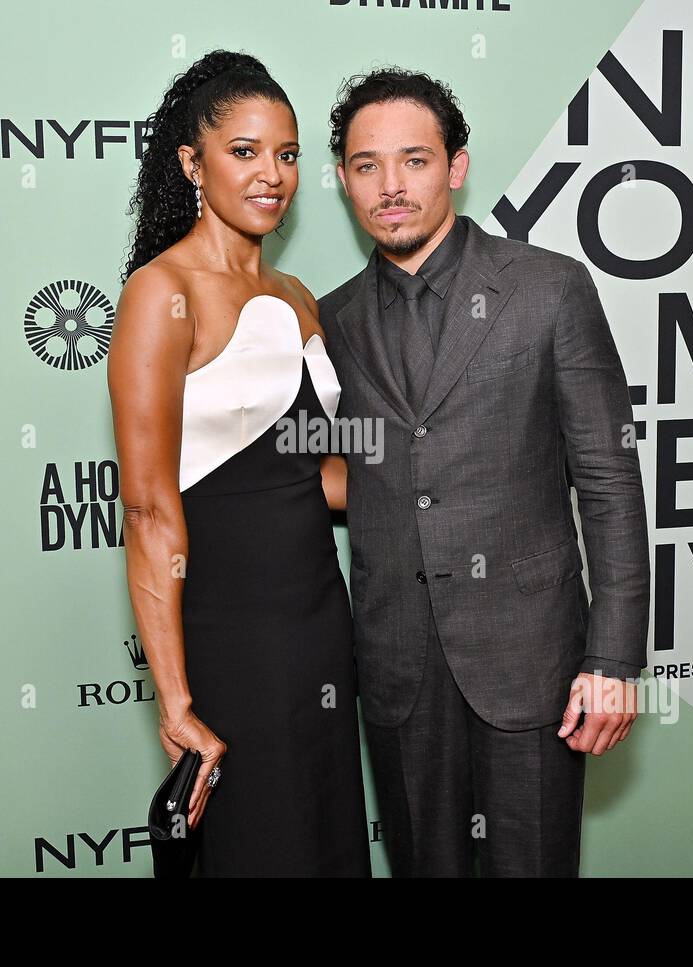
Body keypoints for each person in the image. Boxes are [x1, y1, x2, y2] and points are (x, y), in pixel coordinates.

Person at [316, 68, 651, 876]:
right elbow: (338, 468)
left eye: (414, 160)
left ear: (456, 166)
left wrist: (612, 662)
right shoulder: (329, 318)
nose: (391, 186)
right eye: (367, 166)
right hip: (397, 671)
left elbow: (609, 485)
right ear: (343, 181)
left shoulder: (548, 289)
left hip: (530, 662)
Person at [107, 50, 369, 876]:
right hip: (232, 631)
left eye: (287, 155)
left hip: (320, 620)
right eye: (245, 151)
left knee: (324, 835)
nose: (272, 174)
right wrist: (175, 698)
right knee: (264, 844)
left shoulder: (297, 294)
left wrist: (446, 474)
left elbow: (312, 471)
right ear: (192, 162)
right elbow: (150, 509)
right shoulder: (161, 290)